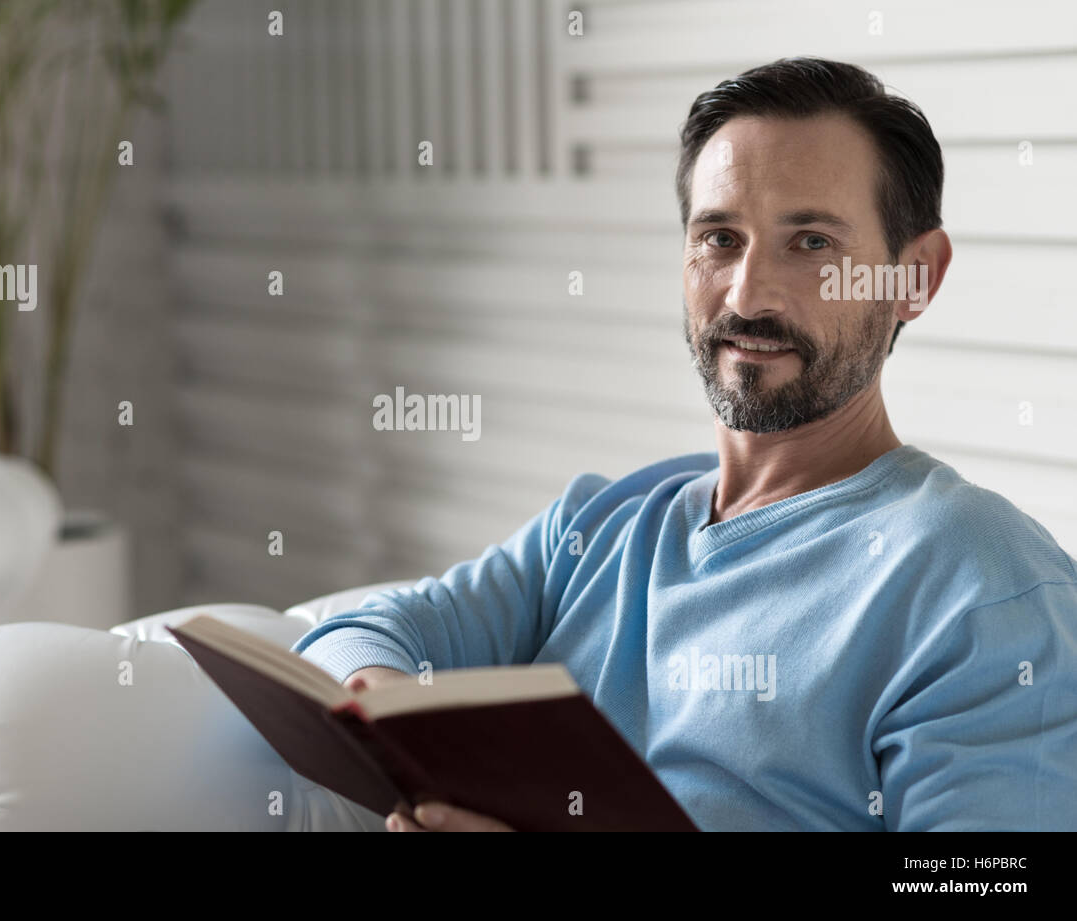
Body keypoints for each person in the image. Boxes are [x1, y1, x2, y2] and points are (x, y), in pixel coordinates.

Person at [290, 57, 1077, 831]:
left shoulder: (981, 582)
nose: (748, 293)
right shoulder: (604, 524)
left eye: (810, 244)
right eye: (720, 237)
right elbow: (365, 633)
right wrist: (401, 730)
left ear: (915, 278)